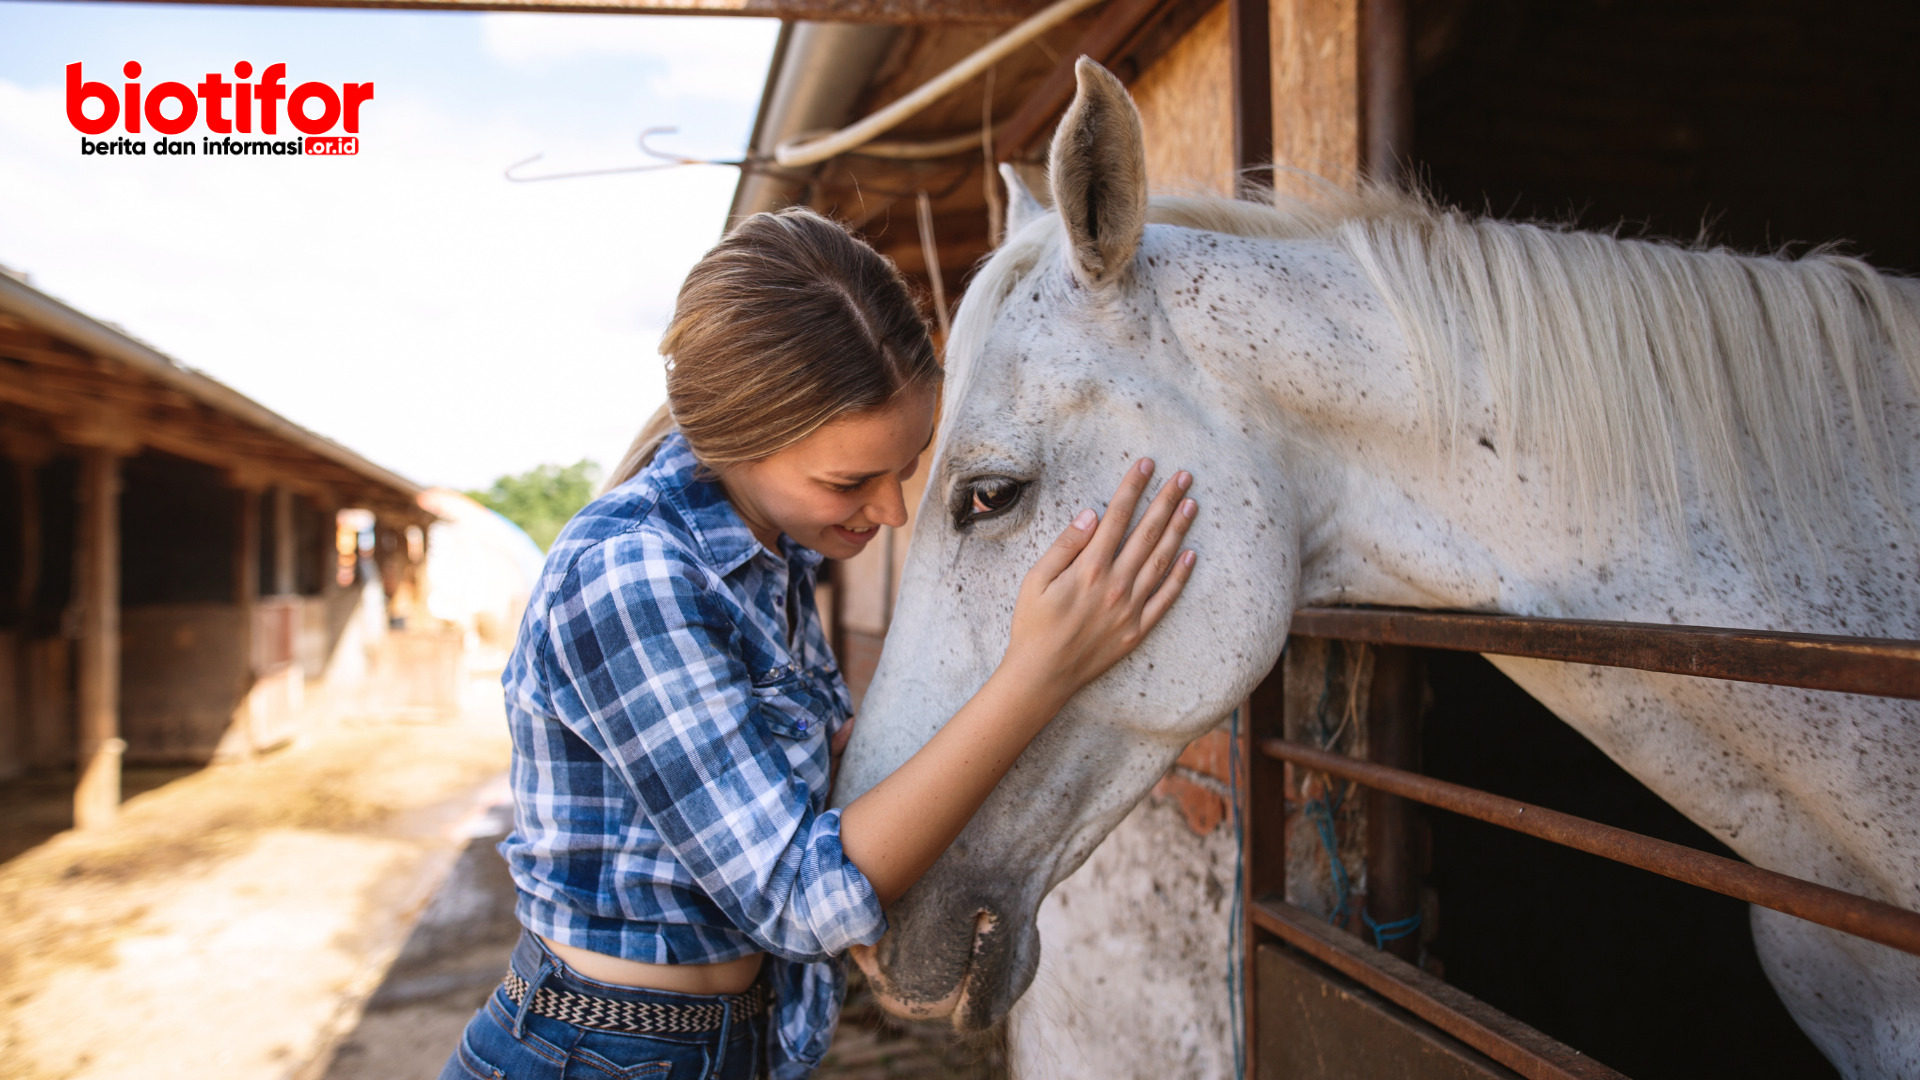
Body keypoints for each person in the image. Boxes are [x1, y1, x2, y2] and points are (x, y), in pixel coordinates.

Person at [439, 207, 1199, 1080]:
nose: (891, 511)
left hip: (715, 1044)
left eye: (906, 468)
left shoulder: (773, 552)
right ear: (738, 444)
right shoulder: (633, 575)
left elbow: (799, 797)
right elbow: (798, 896)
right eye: (850, 482)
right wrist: (1037, 674)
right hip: (602, 1053)